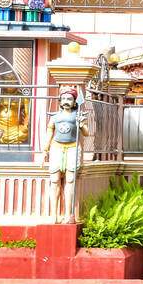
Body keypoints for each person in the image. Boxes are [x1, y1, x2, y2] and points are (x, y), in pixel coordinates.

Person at [45, 87, 88, 222]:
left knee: (70, 180)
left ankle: (69, 214)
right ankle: (54, 215)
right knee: (55, 180)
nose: (66, 101)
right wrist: (44, 151)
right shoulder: (54, 117)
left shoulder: (79, 116)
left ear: (75, 102)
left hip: (72, 148)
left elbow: (86, 133)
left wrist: (81, 124)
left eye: (69, 99)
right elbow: (49, 135)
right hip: (57, 147)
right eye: (63, 99)